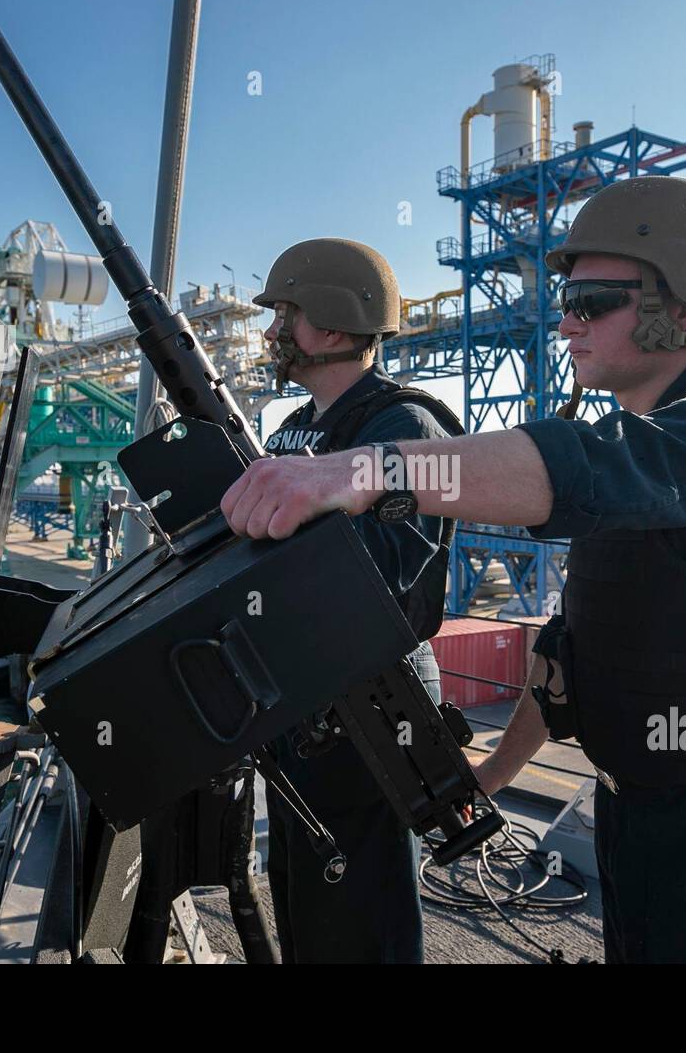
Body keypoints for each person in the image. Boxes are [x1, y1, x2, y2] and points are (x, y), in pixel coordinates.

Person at [220, 179, 686, 964]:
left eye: (592, 301)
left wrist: (369, 469)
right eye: (567, 299)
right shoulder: (630, 450)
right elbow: (572, 649)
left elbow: (601, 467)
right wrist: (493, 771)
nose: (565, 321)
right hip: (637, 818)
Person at [252, 238, 463, 963]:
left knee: (361, 922)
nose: (271, 332)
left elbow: (376, 574)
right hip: (300, 705)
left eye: (285, 313)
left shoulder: (403, 428)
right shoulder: (289, 429)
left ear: (335, 326)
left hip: (370, 711)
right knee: (306, 910)